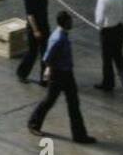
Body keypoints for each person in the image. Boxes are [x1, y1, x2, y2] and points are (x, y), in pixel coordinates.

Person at [28, 11, 96, 144]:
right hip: (58, 74)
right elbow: (47, 58)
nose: (72, 23)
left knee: (73, 104)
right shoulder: (58, 38)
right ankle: (33, 123)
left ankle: (79, 135)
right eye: (70, 21)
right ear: (65, 23)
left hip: (67, 73)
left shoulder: (63, 35)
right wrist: (49, 71)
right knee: (49, 100)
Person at [16, 0, 49, 83]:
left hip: (44, 24)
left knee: (45, 52)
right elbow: (30, 15)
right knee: (32, 52)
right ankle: (22, 73)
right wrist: (35, 30)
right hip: (34, 27)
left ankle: (44, 78)